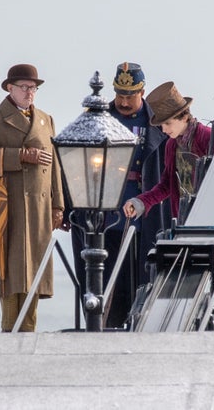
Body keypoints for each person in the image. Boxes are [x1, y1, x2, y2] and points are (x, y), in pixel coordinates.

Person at [68, 62, 169, 329]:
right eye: (119, 95)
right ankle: (103, 324)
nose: (123, 102)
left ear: (142, 92)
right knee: (103, 276)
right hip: (105, 213)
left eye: (130, 96)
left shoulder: (157, 121)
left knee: (140, 278)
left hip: (145, 213)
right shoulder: (96, 118)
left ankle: (138, 325)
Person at [0, 64, 65, 332]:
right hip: (8, 206)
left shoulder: (45, 119)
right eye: (24, 87)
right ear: (9, 88)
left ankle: (28, 331)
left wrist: (58, 206)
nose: (29, 93)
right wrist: (23, 156)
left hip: (40, 208)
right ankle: (10, 330)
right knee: (11, 273)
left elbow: (56, 168)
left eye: (33, 88)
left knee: (34, 274)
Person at [123, 81, 212, 224]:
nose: (163, 130)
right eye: (161, 125)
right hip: (185, 221)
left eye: (168, 123)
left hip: (213, 219)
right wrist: (140, 202)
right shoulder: (171, 144)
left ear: (184, 117)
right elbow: (166, 185)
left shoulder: (208, 137)